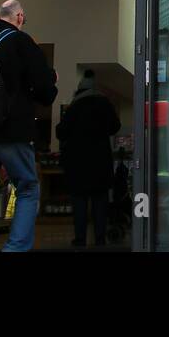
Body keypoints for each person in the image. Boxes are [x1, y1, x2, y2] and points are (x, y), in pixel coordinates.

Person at [0, 0, 57, 252]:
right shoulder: (21, 41)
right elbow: (44, 91)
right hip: (12, 131)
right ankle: (15, 249)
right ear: (19, 17)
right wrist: (51, 79)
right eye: (23, 20)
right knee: (27, 188)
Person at [56, 69, 120, 248]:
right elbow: (115, 126)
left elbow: (61, 131)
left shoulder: (74, 106)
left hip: (77, 162)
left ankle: (80, 239)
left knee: (79, 202)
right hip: (100, 160)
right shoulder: (104, 103)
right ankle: (100, 239)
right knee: (100, 201)